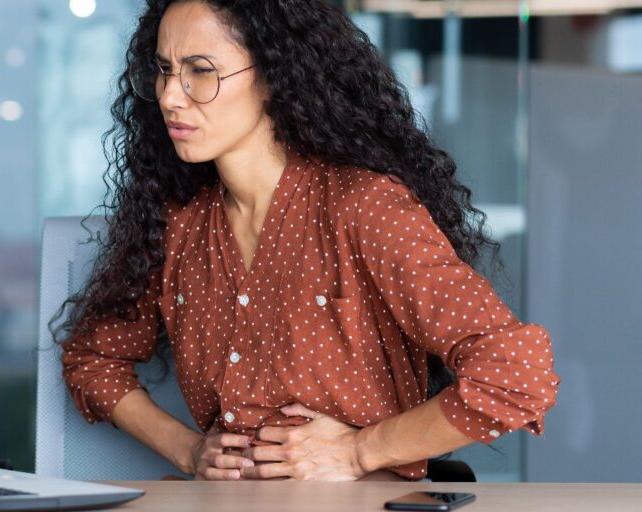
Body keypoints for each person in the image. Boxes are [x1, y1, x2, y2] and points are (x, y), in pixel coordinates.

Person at [56, 0, 560, 482]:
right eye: (164, 69)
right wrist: (188, 449)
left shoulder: (363, 207)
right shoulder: (180, 225)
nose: (170, 95)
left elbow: (517, 374)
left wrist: (360, 452)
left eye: (201, 71)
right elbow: (92, 361)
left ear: (275, 75)